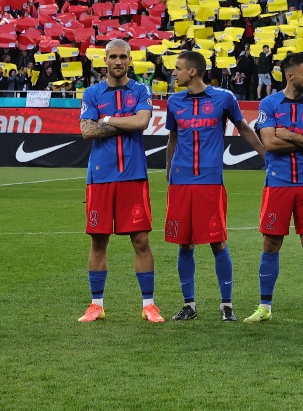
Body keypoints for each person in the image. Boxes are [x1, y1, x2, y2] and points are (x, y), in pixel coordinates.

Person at [164, 49, 263, 322]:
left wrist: (266, 155)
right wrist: (168, 168)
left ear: (193, 71)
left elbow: (243, 128)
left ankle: (226, 305)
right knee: (184, 244)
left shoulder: (224, 98)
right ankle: (189, 305)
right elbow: (173, 137)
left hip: (210, 181)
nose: (174, 73)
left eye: (178, 68)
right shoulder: (174, 102)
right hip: (181, 181)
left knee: (217, 241)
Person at [246, 51, 303, 324]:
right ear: (290, 75)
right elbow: (270, 143)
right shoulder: (269, 103)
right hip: (278, 184)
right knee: (271, 243)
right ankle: (264, 307)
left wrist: (288, 134)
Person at [77, 39, 159, 324]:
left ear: (130, 60)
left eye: (123, 56)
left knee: (141, 240)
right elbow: (87, 130)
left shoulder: (141, 89)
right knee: (98, 240)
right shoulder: (92, 92)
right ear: (105, 60)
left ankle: (149, 305)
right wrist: (126, 121)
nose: (118, 61)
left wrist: (107, 119)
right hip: (100, 177)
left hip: (133, 176)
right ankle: (96, 305)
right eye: (113, 56)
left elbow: (142, 122)